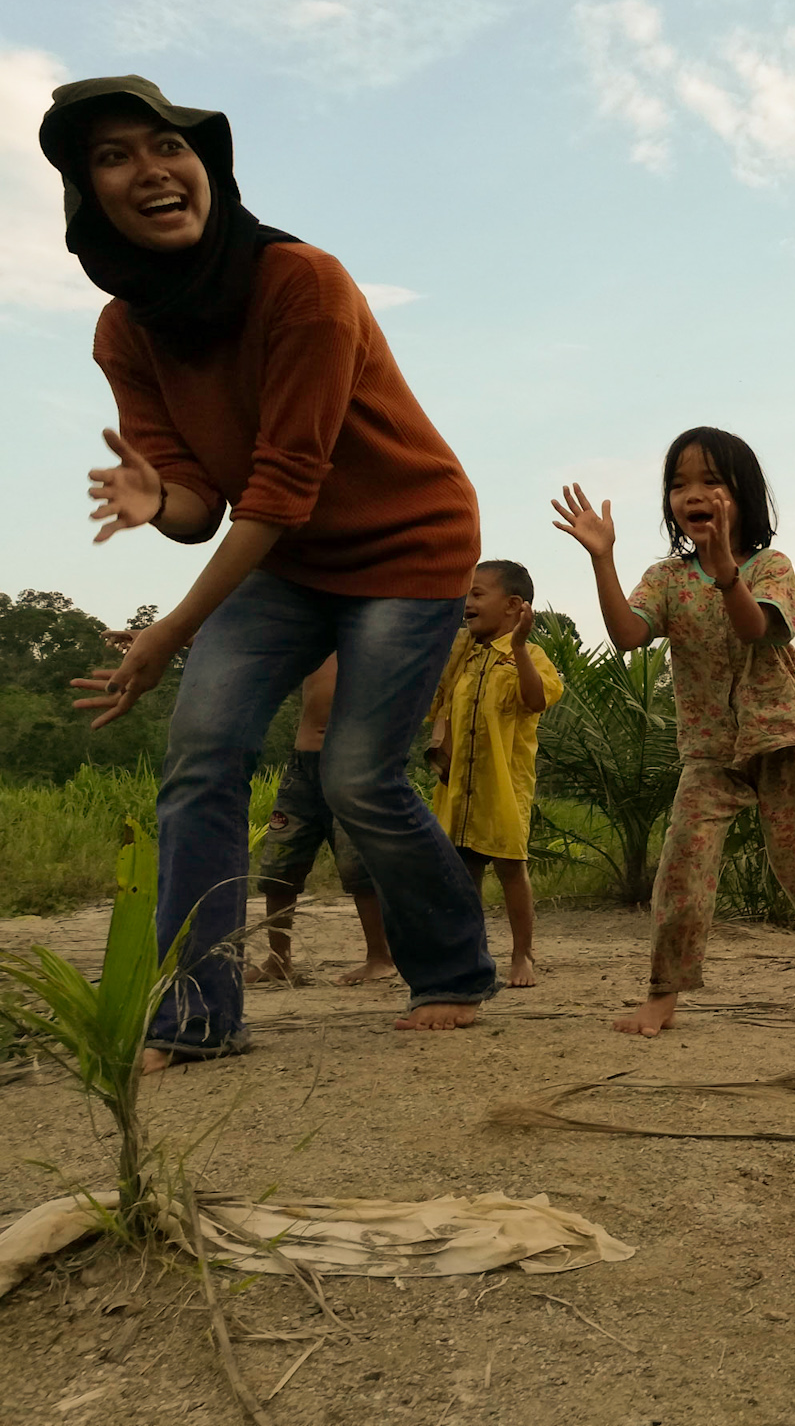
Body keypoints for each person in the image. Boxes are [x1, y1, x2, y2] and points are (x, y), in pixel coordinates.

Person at [43, 75, 496, 1068]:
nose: (149, 170)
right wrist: (159, 500)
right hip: (284, 559)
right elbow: (207, 504)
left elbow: (284, 487)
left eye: (166, 145)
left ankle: (453, 969)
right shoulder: (126, 331)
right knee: (201, 757)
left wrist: (174, 630)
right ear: (88, 197)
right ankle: (197, 1014)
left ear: (207, 166)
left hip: (407, 545)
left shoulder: (302, 284)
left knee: (358, 777)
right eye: (112, 157)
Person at [551, 428, 795, 1032]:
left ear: (743, 493)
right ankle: (663, 996)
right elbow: (629, 634)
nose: (693, 493)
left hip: (780, 740)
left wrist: (728, 572)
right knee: (682, 872)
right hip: (708, 753)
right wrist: (602, 559)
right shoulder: (665, 578)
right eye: (679, 484)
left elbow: (756, 629)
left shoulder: (770, 566)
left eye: (710, 480)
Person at [426, 561, 563, 989]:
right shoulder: (460, 653)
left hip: (503, 787)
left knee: (510, 867)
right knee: (463, 872)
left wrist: (520, 648)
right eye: (466, 594)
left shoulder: (532, 656)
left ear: (513, 606)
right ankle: (471, 953)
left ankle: (523, 954)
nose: (467, 603)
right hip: (458, 787)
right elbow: (440, 702)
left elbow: (535, 699)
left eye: (478, 594)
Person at [247, 655, 397, 987]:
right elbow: (257, 644)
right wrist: (176, 638)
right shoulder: (312, 632)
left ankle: (379, 957)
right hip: (303, 765)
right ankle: (278, 960)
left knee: (360, 867)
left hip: (354, 763)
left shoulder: (370, 634)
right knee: (279, 865)